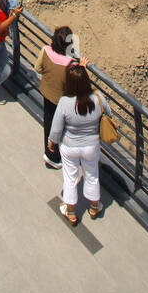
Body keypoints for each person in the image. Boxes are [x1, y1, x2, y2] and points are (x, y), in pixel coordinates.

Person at [48, 63, 110, 224]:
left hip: (70, 146)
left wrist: (52, 141)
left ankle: (71, 211)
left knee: (70, 178)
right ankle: (94, 207)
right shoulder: (97, 98)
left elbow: (56, 128)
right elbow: (108, 113)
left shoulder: (65, 102)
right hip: (91, 145)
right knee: (92, 175)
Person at [33, 27, 89, 169]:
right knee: (59, 127)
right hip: (62, 101)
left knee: (49, 122)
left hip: (46, 93)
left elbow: (38, 68)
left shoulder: (45, 50)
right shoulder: (71, 65)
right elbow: (78, 84)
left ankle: (50, 152)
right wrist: (81, 67)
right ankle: (54, 156)